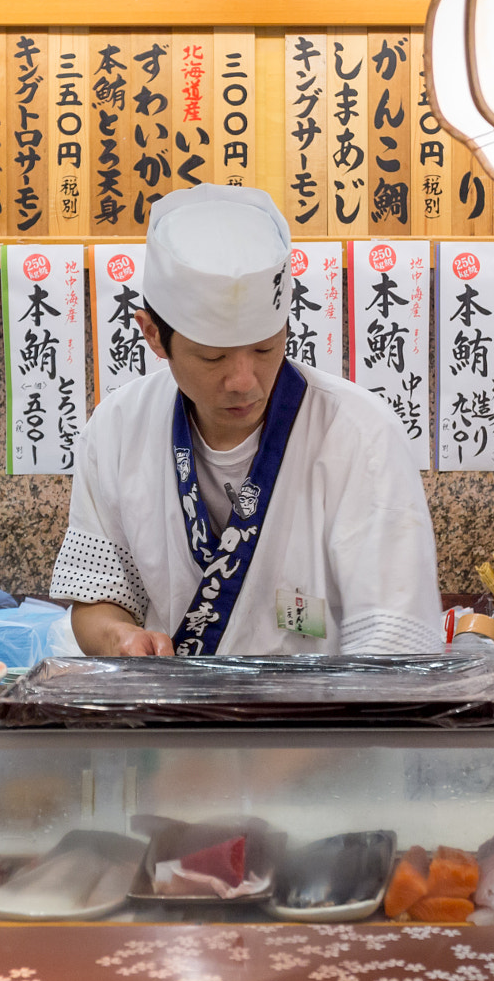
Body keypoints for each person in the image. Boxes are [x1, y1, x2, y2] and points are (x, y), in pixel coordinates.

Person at [50, 183, 443, 656]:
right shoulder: (117, 428)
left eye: (264, 348)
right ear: (153, 335)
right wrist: (122, 637)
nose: (244, 381)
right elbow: (98, 598)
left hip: (321, 721)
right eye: (213, 357)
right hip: (168, 720)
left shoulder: (359, 433)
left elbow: (395, 636)